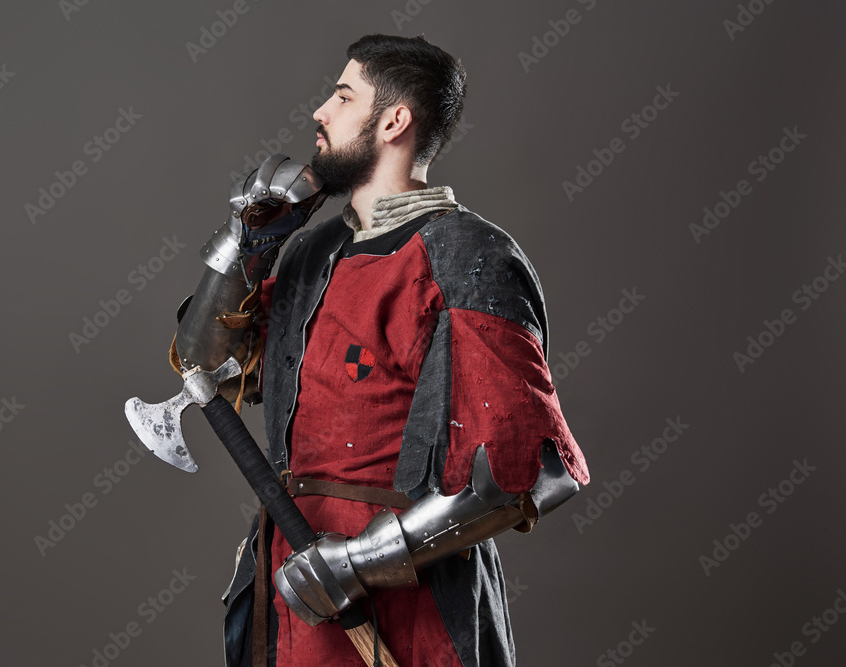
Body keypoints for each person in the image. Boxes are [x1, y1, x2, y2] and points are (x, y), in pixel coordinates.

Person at [170, 33, 590, 667]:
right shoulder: (311, 254)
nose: (320, 112)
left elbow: (532, 471)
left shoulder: (467, 257)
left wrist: (363, 560)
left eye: (342, 96)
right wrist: (244, 245)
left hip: (402, 600)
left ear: (395, 121)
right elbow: (202, 362)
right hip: (289, 584)